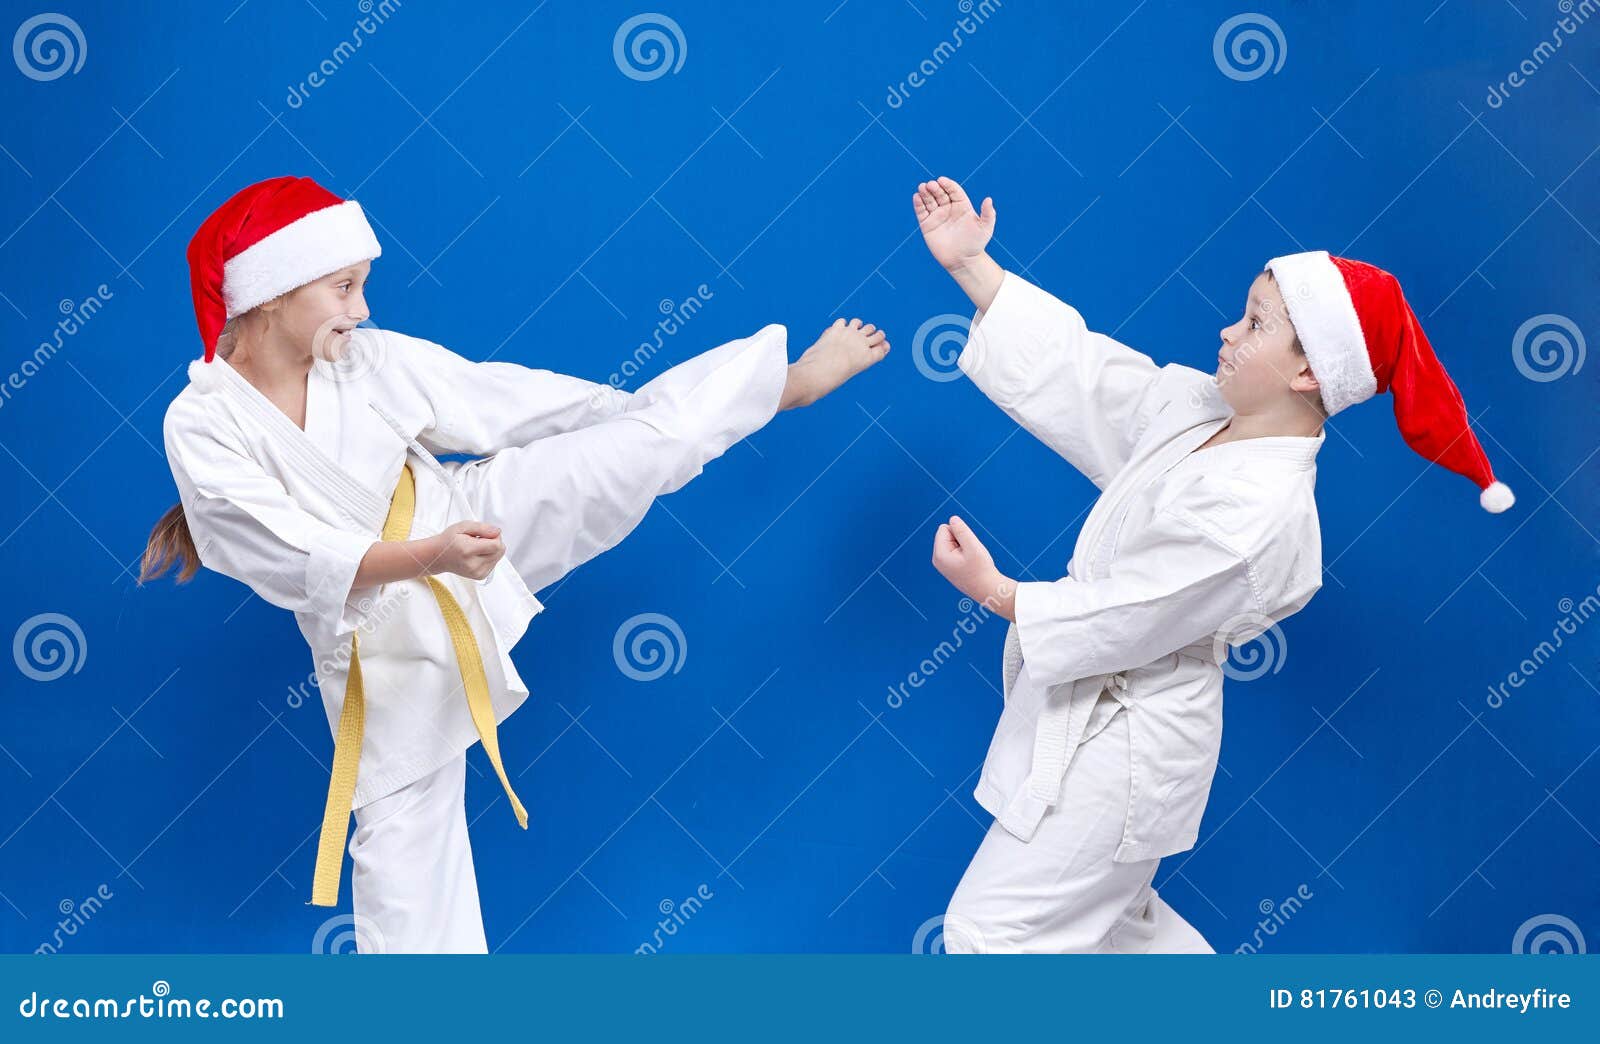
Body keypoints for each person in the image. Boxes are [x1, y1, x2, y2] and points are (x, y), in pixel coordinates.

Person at [139, 175, 891, 953]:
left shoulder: (369, 361)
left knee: (640, 447)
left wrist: (623, 408)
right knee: (404, 853)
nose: (362, 308)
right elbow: (276, 549)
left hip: (470, 518)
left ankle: (783, 387)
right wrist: (427, 558)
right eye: (344, 287)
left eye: (363, 286)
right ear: (269, 293)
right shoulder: (203, 422)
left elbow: (500, 398)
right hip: (376, 637)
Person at [911, 175, 1514, 953]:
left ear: (1308, 373)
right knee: (1121, 938)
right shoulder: (1201, 411)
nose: (1229, 333)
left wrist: (994, 593)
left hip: (1127, 747)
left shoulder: (1259, 512)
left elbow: (1135, 610)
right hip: (1099, 719)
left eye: (1256, 324)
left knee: (991, 934)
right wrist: (971, 268)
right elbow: (1085, 377)